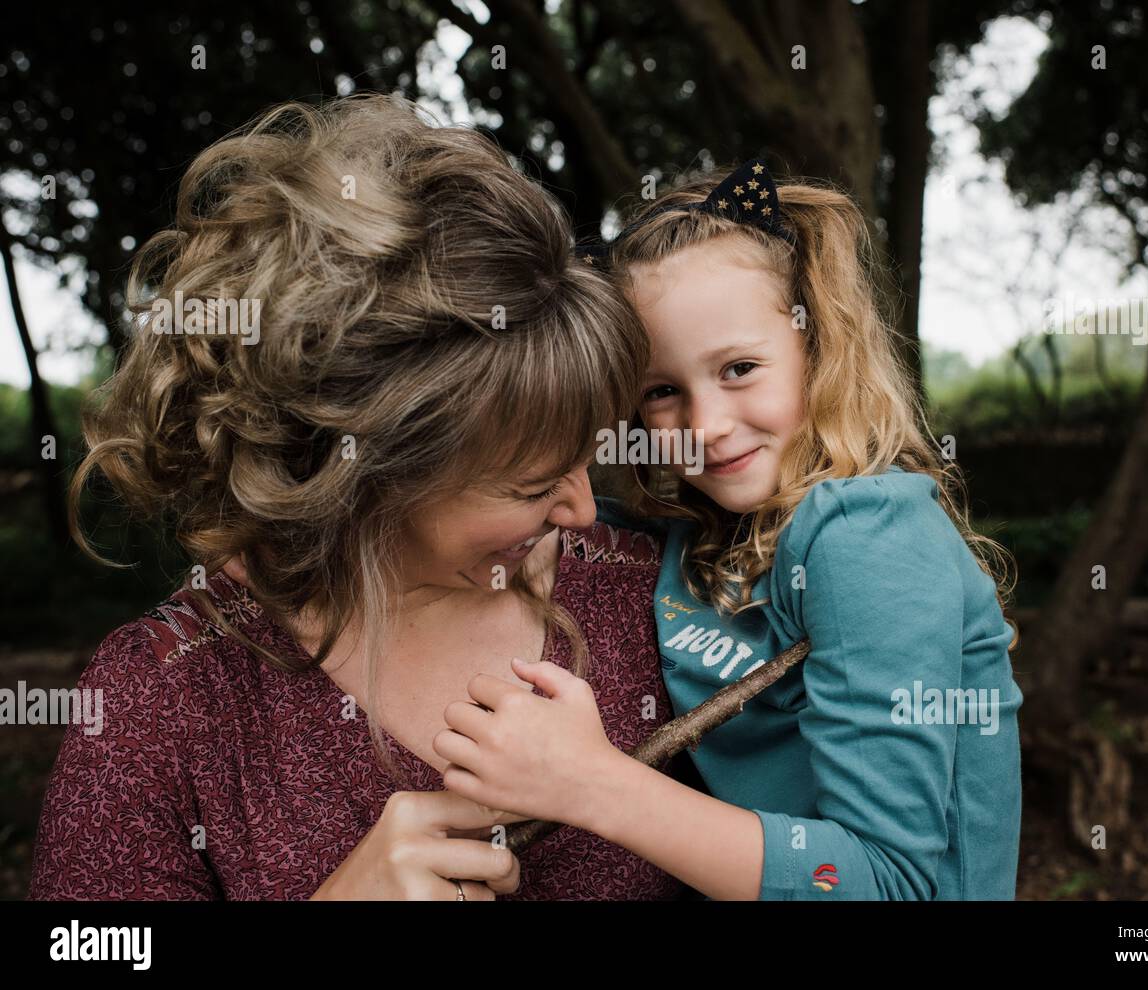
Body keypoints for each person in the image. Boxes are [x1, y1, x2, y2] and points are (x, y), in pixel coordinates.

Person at [28, 94, 689, 901]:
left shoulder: (654, 598)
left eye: (586, 458)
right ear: (365, 475)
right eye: (530, 486)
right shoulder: (167, 695)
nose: (584, 513)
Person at [430, 159, 1025, 900]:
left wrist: (592, 785)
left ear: (819, 344)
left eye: (739, 368)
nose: (704, 427)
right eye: (663, 391)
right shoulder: (696, 534)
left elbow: (886, 881)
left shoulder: (865, 538)